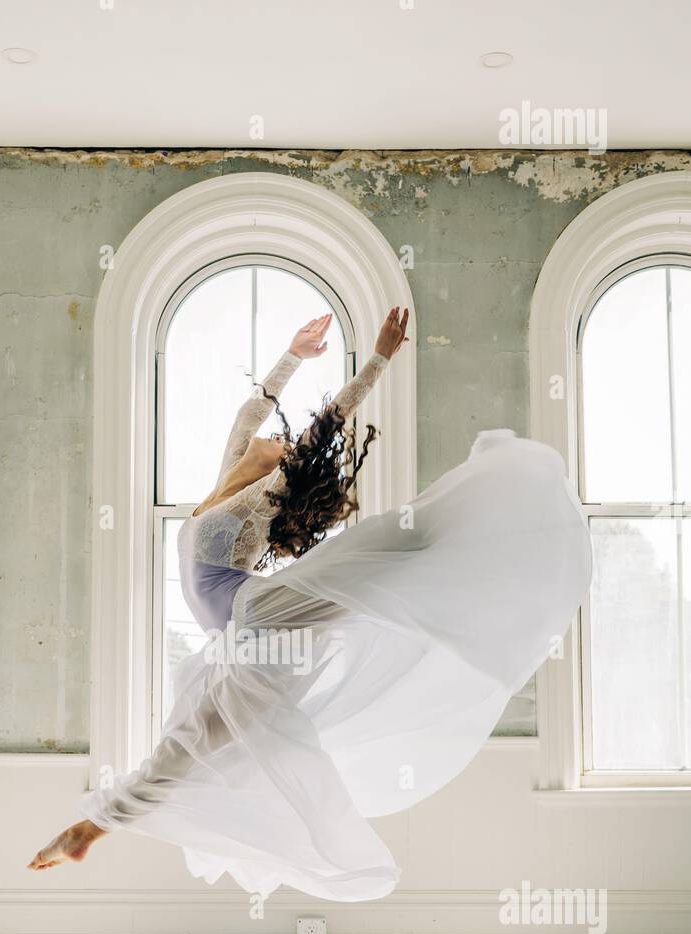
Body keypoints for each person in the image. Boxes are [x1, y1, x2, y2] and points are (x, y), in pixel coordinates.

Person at [29, 309, 592, 902]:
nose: (275, 436)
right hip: (241, 648)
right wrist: (293, 354)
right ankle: (92, 828)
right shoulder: (228, 481)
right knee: (183, 747)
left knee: (379, 561)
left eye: (282, 446)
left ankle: (473, 550)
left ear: (282, 465)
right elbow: (253, 409)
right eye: (272, 438)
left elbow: (326, 425)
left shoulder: (261, 499)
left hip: (260, 615)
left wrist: (377, 360)